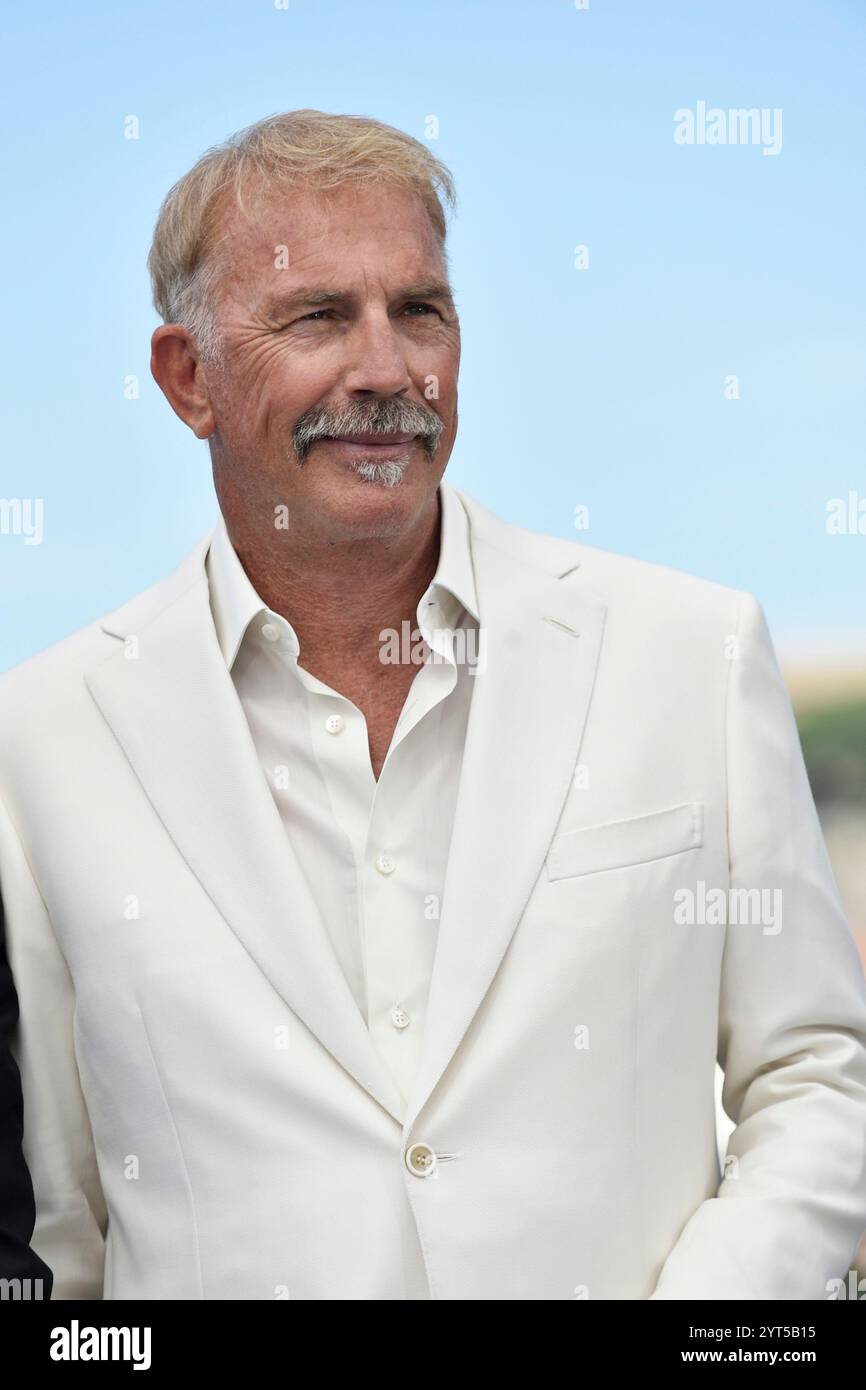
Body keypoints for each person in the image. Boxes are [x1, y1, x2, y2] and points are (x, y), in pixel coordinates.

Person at [1, 109, 865, 1300]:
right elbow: (61, 1223)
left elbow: (817, 1075)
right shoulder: (39, 738)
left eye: (419, 310)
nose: (385, 369)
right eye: (316, 316)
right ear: (186, 379)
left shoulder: (689, 651)